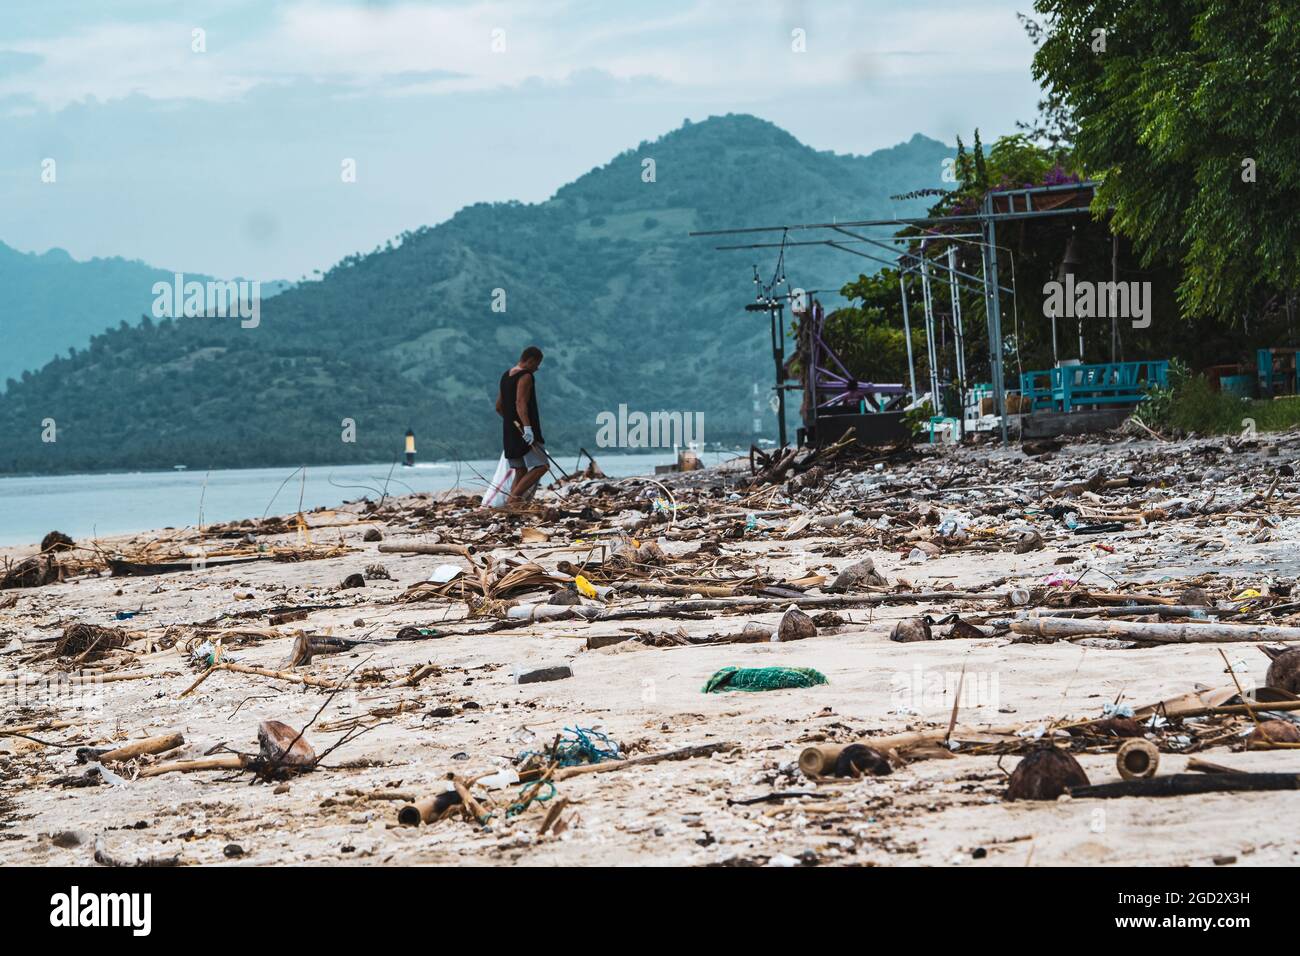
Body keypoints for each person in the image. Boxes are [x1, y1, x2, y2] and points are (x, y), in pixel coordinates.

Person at [496, 346, 548, 505]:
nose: (537, 368)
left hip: (510, 430)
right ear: (530, 360)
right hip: (525, 431)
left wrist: (511, 421)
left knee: (520, 470)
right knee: (542, 466)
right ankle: (512, 500)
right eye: (537, 364)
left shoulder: (506, 376)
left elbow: (499, 406)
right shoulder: (526, 376)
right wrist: (527, 428)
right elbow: (520, 403)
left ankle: (512, 505)